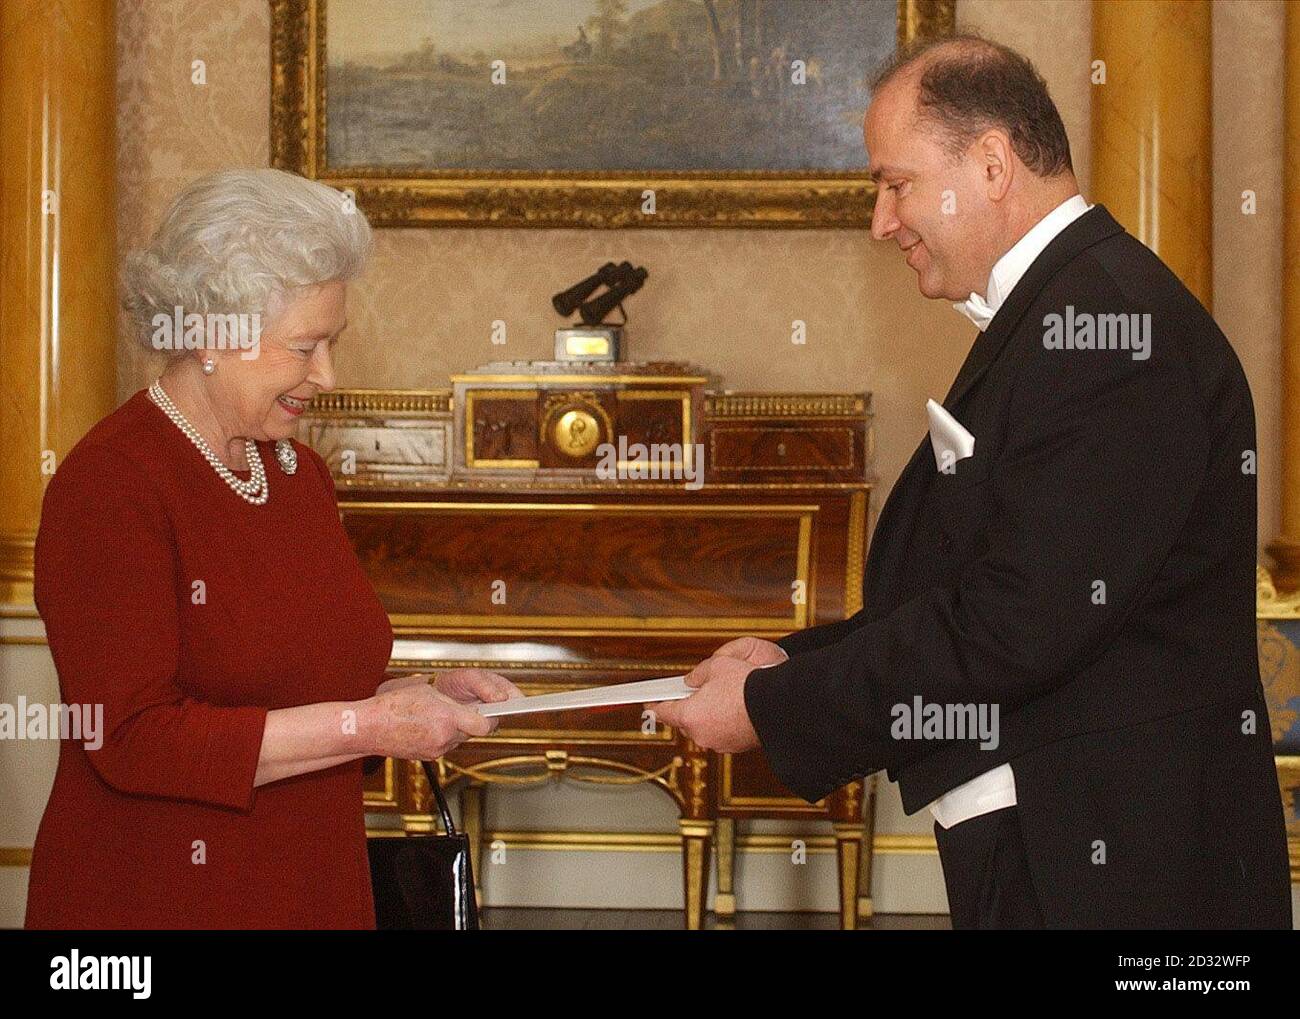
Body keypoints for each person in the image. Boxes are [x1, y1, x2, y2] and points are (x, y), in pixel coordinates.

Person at [653, 35, 1293, 929]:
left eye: (896, 183)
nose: (881, 221)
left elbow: (1014, 624)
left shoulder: (1104, 328)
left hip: (1114, 874)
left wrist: (774, 705)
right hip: (1071, 850)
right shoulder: (1067, 311)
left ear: (991, 164)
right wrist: (790, 664)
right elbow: (973, 590)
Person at [25, 168, 520, 928]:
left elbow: (291, 680)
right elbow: (129, 737)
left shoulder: (296, 472)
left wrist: (407, 698)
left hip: (308, 888)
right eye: (305, 346)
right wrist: (371, 724)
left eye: (332, 342)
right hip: (164, 900)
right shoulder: (112, 484)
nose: (328, 374)